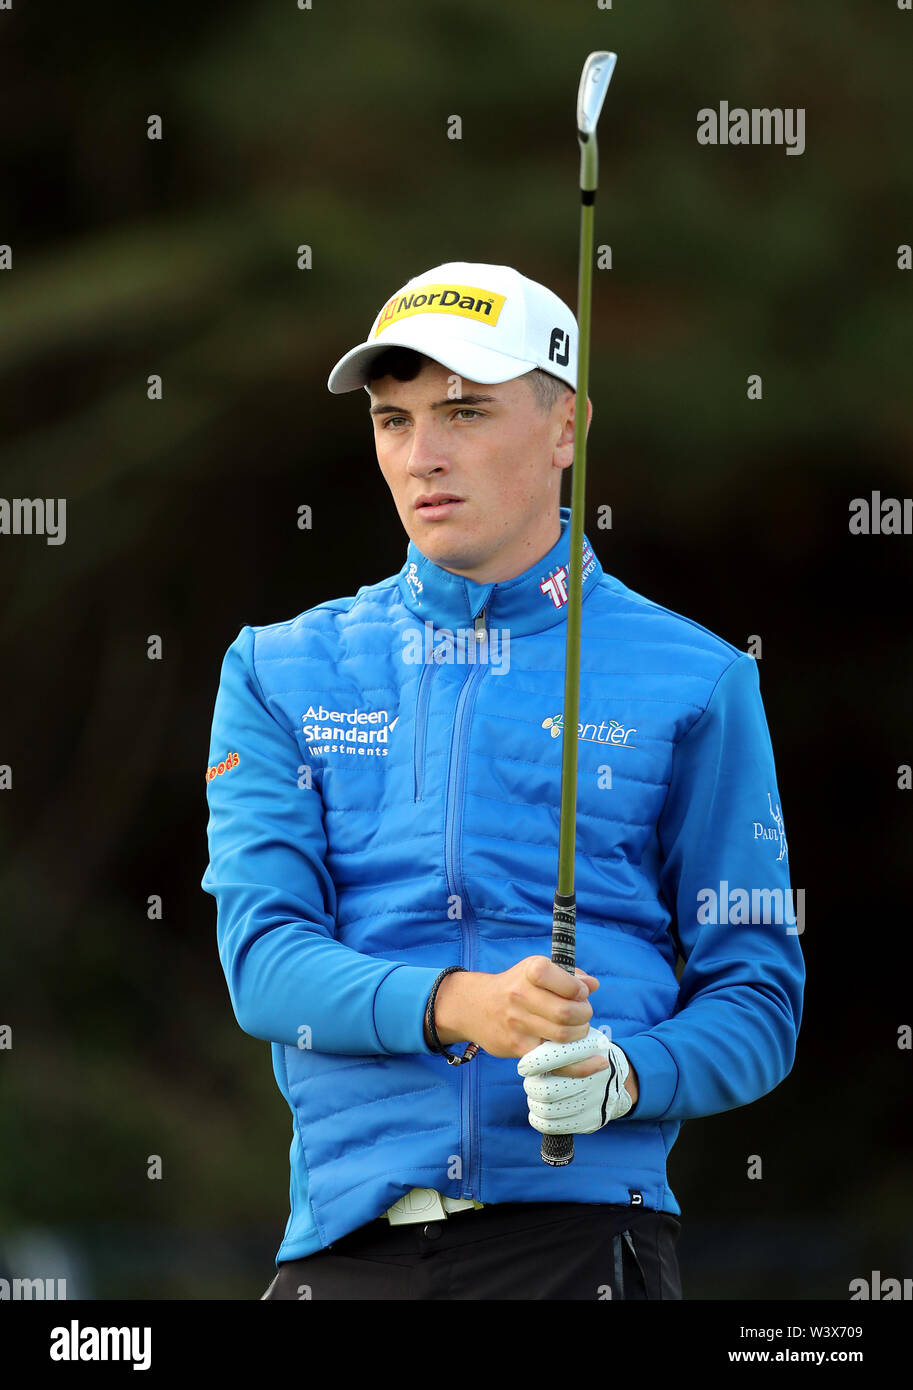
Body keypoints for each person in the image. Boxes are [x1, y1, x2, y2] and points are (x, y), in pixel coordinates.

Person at [201, 261, 805, 1301]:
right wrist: (457, 1002)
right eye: (393, 422)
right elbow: (263, 962)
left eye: (464, 412)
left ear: (564, 428)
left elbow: (757, 998)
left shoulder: (700, 677)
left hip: (581, 1245)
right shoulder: (277, 666)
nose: (422, 455)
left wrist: (626, 1077)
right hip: (342, 1250)